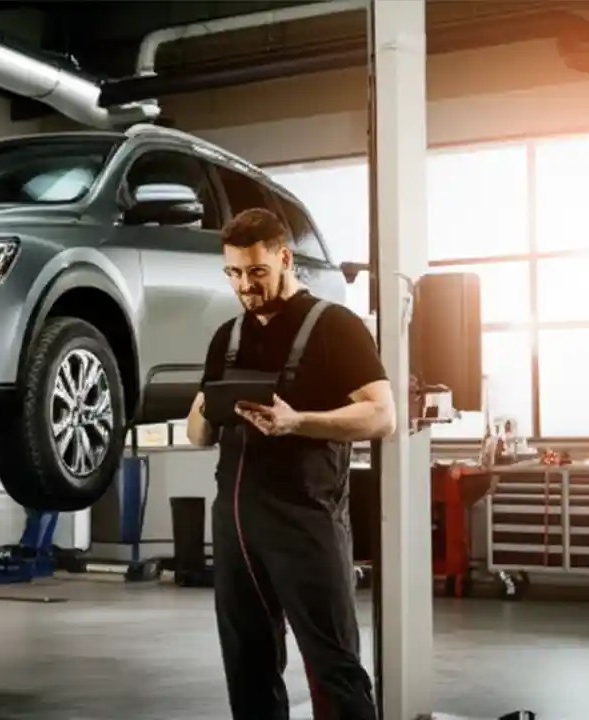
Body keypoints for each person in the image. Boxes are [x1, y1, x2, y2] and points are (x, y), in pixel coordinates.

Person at [184, 207, 395, 720]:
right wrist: (209, 413)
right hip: (235, 527)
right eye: (233, 273)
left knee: (334, 666)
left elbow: (382, 414)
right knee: (248, 667)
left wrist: (297, 422)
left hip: (306, 522)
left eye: (256, 271)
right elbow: (196, 433)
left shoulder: (334, 326)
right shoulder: (227, 337)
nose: (245, 285)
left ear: (283, 258)